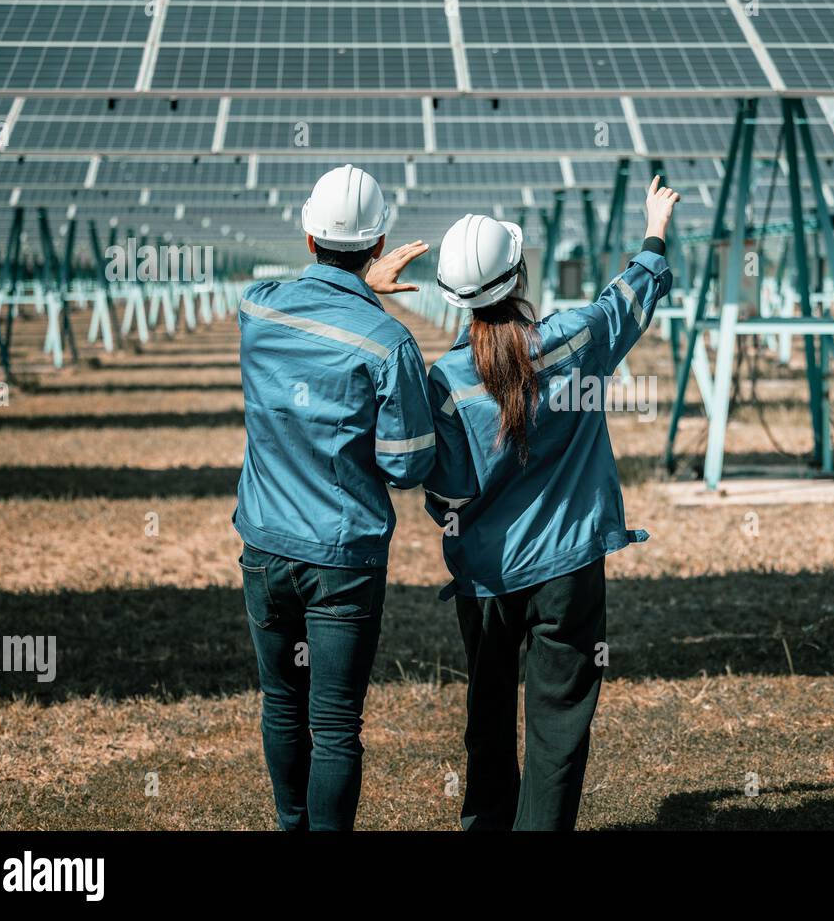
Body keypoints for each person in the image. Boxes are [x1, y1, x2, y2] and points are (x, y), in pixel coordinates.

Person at [424, 175, 680, 830]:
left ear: (454, 298)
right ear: (521, 275)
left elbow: (445, 494)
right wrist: (654, 227)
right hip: (568, 574)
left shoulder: (446, 381)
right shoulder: (576, 340)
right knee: (558, 732)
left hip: (485, 581)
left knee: (486, 725)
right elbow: (631, 296)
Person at [233, 164, 431, 831]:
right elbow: (405, 467)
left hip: (264, 545)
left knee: (280, 702)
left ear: (308, 238)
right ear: (378, 247)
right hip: (343, 558)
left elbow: (305, 301)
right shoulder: (389, 343)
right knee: (337, 723)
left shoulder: (255, 309)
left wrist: (353, 284)